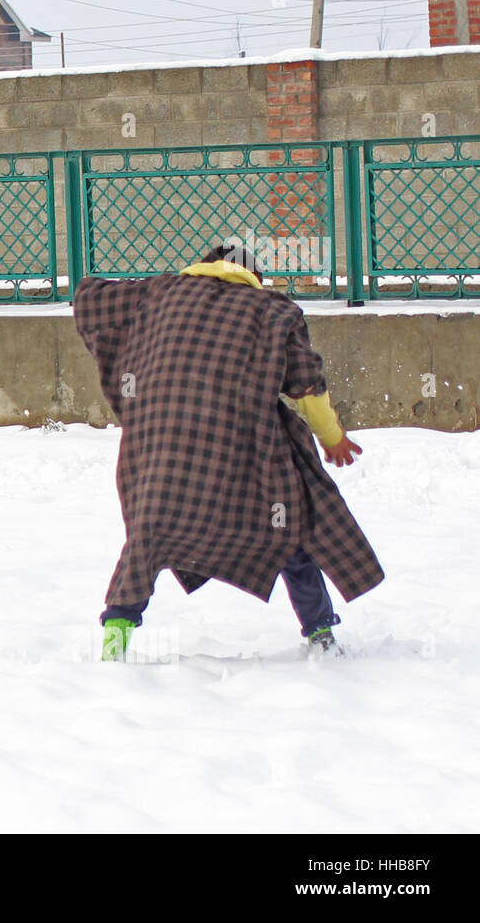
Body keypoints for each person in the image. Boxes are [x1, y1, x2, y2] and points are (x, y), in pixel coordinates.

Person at [72, 243, 384, 660]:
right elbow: (306, 388)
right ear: (255, 277)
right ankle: (321, 635)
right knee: (287, 527)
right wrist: (332, 439)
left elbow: (90, 299)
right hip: (243, 443)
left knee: (148, 539)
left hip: (160, 446)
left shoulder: (156, 293)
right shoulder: (272, 311)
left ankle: (115, 640)